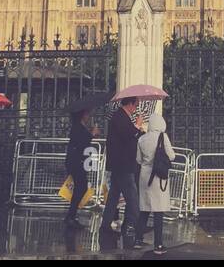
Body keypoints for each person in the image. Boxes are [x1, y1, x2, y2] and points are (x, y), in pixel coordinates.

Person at [102, 97, 145, 246]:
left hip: (120, 164)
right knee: (133, 200)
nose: (136, 108)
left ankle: (105, 225)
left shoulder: (121, 117)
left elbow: (128, 138)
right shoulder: (120, 116)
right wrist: (138, 126)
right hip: (123, 165)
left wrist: (136, 130)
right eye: (136, 104)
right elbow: (128, 138)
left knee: (113, 197)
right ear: (130, 104)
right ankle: (131, 228)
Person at [135, 111, 176, 254]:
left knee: (144, 208)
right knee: (158, 210)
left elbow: (138, 160)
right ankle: (158, 245)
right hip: (158, 176)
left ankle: (138, 240)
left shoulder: (142, 139)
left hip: (144, 176)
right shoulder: (162, 137)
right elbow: (171, 156)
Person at [64, 109, 98, 227]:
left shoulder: (80, 127)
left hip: (78, 162)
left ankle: (71, 215)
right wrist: (92, 134)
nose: (89, 116)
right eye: (87, 114)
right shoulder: (77, 127)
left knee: (81, 187)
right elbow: (81, 143)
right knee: (81, 186)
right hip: (76, 163)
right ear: (82, 115)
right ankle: (71, 216)